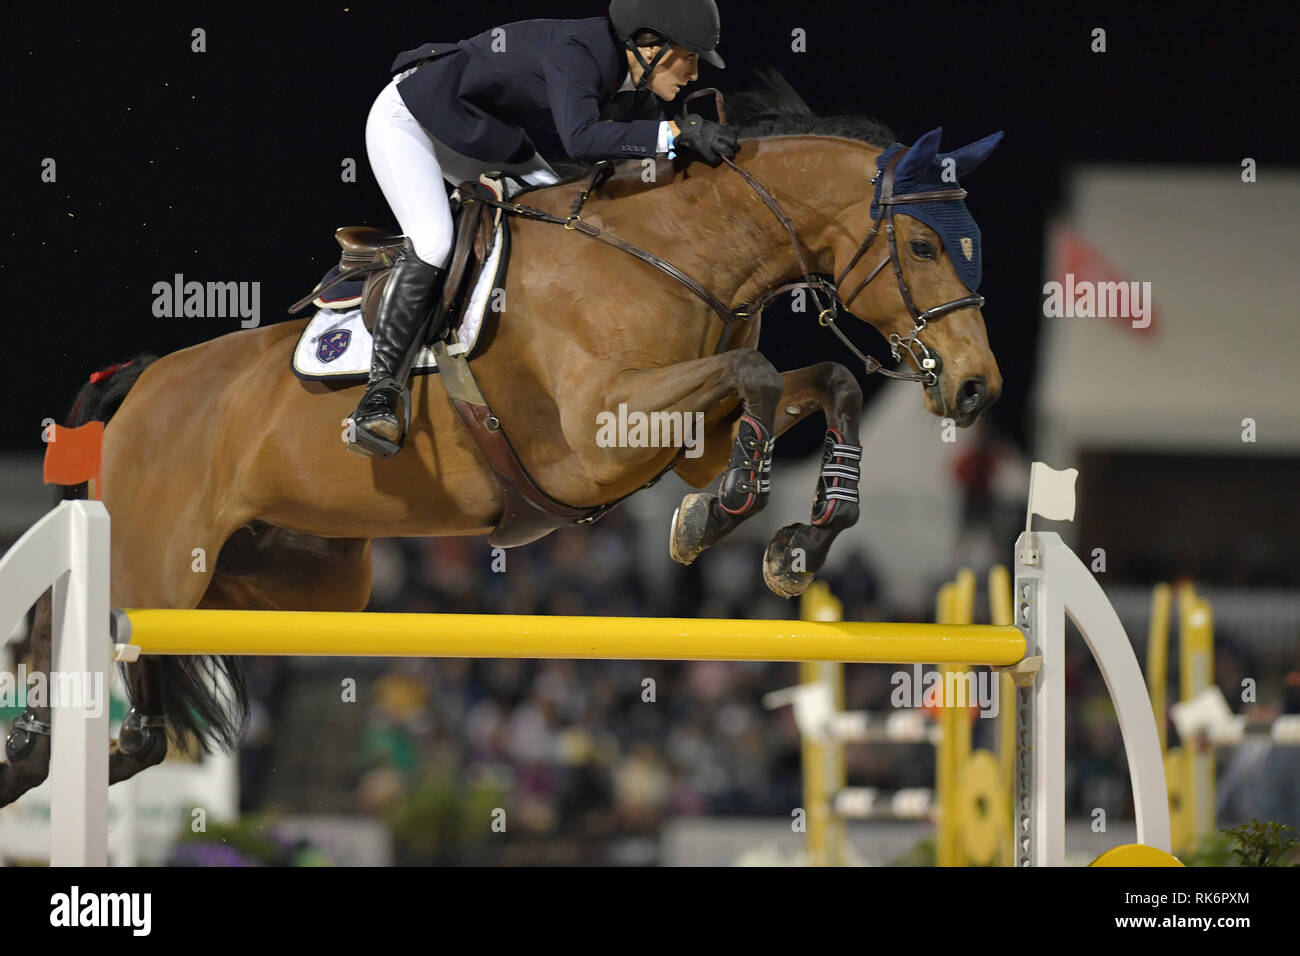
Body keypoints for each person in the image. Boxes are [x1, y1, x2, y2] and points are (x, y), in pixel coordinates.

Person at [346, 0, 739, 457]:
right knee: (434, 241)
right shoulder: (579, 50)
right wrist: (676, 134)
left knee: (567, 217)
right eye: (689, 57)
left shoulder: (637, 87)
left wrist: (697, 152)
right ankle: (380, 395)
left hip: (481, 133)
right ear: (650, 44)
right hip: (410, 118)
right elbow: (582, 139)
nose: (694, 73)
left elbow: (635, 162)